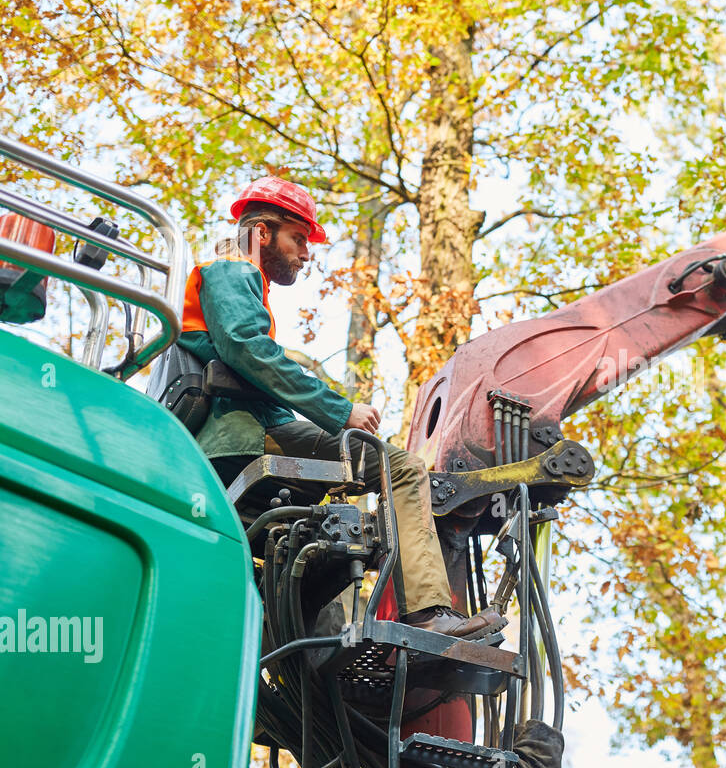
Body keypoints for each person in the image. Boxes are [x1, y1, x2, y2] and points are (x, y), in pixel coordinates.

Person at [179, 177, 502, 639]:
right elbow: (246, 348)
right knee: (402, 469)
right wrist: (339, 410)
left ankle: (320, 648)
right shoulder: (232, 271)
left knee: (321, 541)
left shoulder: (231, 282)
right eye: (298, 239)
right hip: (245, 435)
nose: (306, 254)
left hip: (233, 438)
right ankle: (430, 612)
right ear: (263, 233)